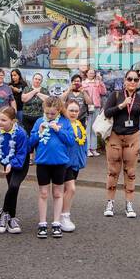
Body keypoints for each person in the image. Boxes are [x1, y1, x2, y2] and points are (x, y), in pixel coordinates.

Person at [102, 70, 140, 218]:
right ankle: (110, 202)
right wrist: (122, 105)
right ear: (125, 80)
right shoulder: (115, 95)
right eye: (130, 79)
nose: (133, 82)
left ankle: (129, 204)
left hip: (132, 138)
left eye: (135, 80)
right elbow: (107, 113)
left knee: (131, 172)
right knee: (113, 171)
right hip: (115, 136)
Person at [31, 95, 75, 238]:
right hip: (43, 163)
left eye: (53, 113)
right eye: (47, 113)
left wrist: (58, 130)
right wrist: (39, 133)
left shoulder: (65, 122)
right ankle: (42, 223)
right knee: (43, 193)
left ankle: (56, 223)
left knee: (57, 193)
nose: (49, 116)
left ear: (59, 110)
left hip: (60, 163)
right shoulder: (39, 121)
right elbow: (30, 143)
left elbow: (70, 141)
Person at [0, 105, 29, 234]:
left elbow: (22, 153)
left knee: (13, 186)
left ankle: (3, 213)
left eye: (3, 120)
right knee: (13, 190)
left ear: (13, 121)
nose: (0, 123)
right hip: (6, 162)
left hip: (20, 163)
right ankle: (11, 218)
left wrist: (12, 164)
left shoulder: (21, 134)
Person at [61, 98, 89, 232]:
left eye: (76, 111)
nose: (73, 113)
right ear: (65, 110)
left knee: (67, 191)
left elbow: (83, 144)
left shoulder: (79, 125)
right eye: (71, 110)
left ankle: (60, 216)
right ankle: (64, 216)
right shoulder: (62, 124)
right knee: (71, 189)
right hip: (64, 163)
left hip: (75, 163)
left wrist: (82, 160)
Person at [81, 68, 106, 156]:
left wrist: (100, 82)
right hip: (86, 108)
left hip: (96, 107)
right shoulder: (83, 83)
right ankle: (87, 149)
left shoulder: (97, 82)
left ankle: (93, 149)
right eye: (90, 73)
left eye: (93, 73)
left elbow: (103, 92)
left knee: (94, 128)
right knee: (87, 128)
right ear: (86, 74)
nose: (91, 74)